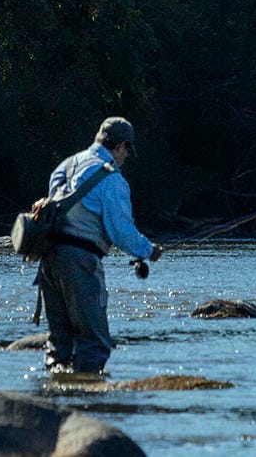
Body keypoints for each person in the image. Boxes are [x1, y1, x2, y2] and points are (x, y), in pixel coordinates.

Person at [32, 116, 163, 375]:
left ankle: (57, 398)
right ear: (121, 146)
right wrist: (149, 251)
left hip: (47, 259)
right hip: (79, 260)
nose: (125, 157)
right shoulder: (111, 179)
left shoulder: (67, 165)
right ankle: (87, 400)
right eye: (127, 150)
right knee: (95, 342)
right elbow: (121, 232)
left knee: (60, 342)